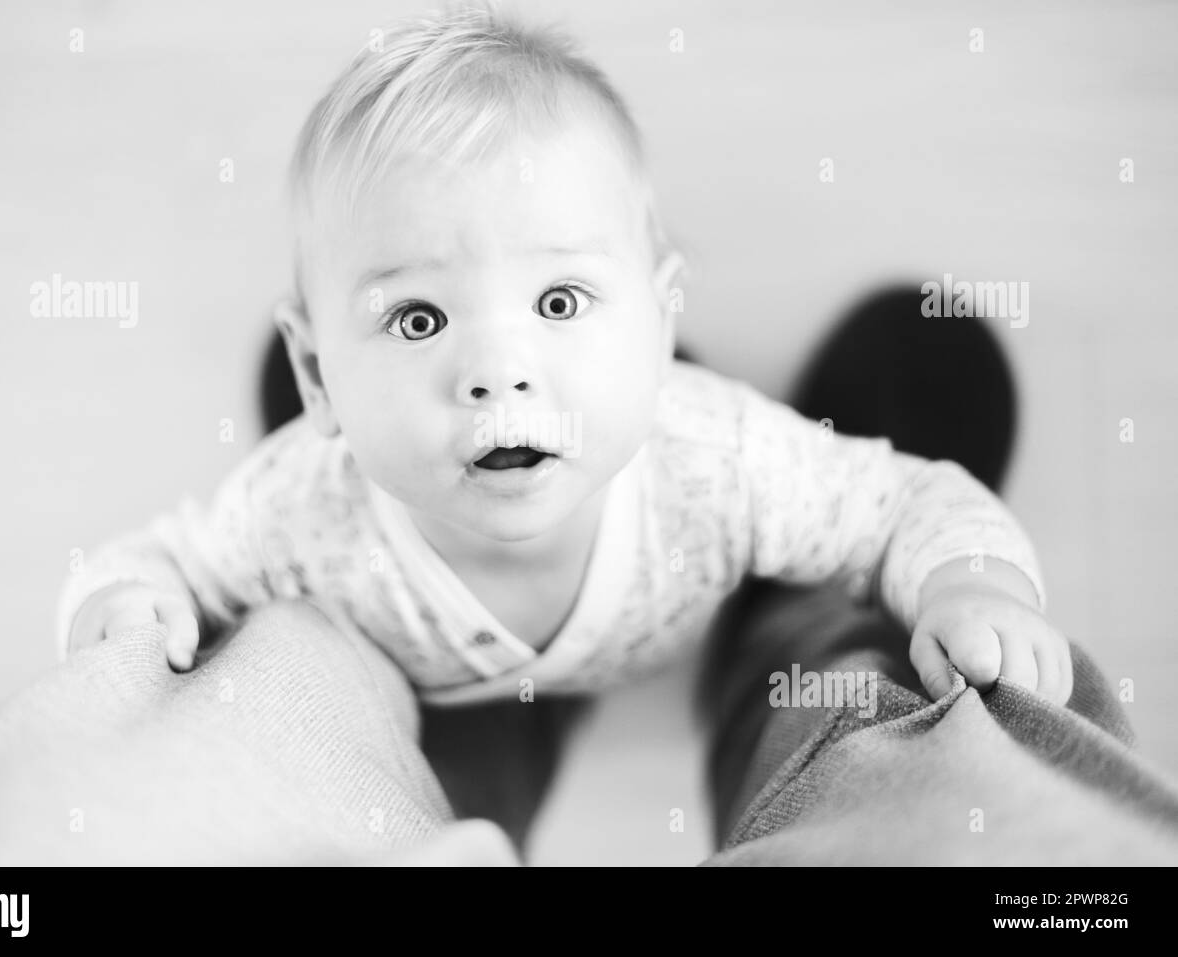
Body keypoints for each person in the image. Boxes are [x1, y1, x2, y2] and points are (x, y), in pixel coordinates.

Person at [53, 4, 1074, 856]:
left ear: (664, 315)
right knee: (394, 742)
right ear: (311, 370)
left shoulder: (715, 461)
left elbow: (908, 500)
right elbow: (157, 563)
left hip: (693, 561)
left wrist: (966, 580)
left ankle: (794, 614)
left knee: (839, 602)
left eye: (557, 302)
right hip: (438, 679)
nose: (500, 371)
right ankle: (427, 445)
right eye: (419, 319)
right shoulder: (301, 517)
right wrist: (125, 607)